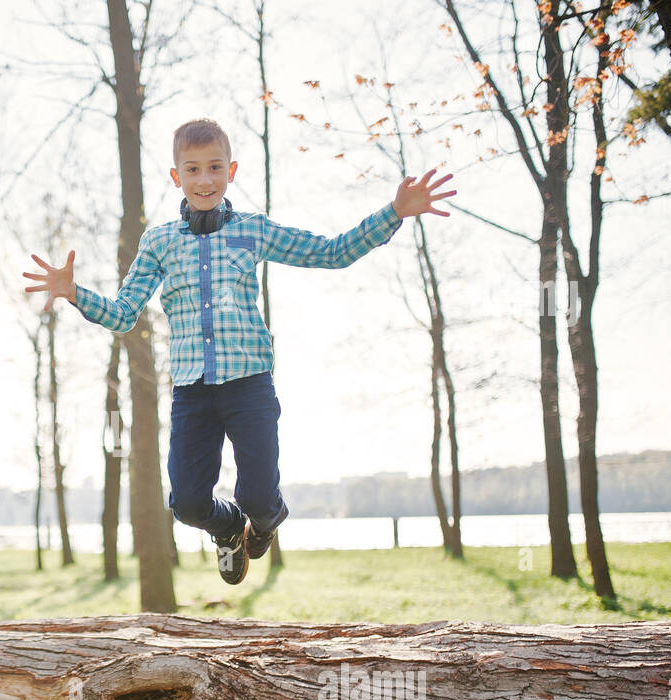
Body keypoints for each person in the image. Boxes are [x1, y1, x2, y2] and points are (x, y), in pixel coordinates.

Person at [23, 117, 455, 584]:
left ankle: (262, 523)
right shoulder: (159, 242)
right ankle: (229, 528)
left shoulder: (253, 230)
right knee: (187, 503)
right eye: (192, 170)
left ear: (231, 170)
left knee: (261, 502)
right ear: (176, 177)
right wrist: (74, 292)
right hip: (192, 391)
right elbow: (125, 314)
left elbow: (330, 252)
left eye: (214, 168)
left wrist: (393, 212)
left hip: (249, 384)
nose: (204, 180)